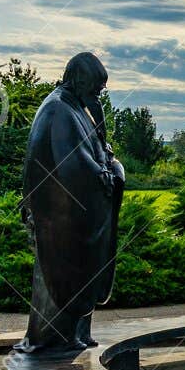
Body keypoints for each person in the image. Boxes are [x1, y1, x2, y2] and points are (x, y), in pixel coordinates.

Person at [15, 52, 125, 354]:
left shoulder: (79, 106)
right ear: (78, 79)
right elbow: (71, 161)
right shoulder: (58, 109)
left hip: (78, 214)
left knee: (84, 272)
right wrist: (101, 174)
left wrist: (110, 165)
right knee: (61, 274)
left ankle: (76, 331)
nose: (98, 93)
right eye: (94, 87)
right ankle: (54, 338)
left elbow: (95, 149)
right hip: (60, 217)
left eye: (101, 89)